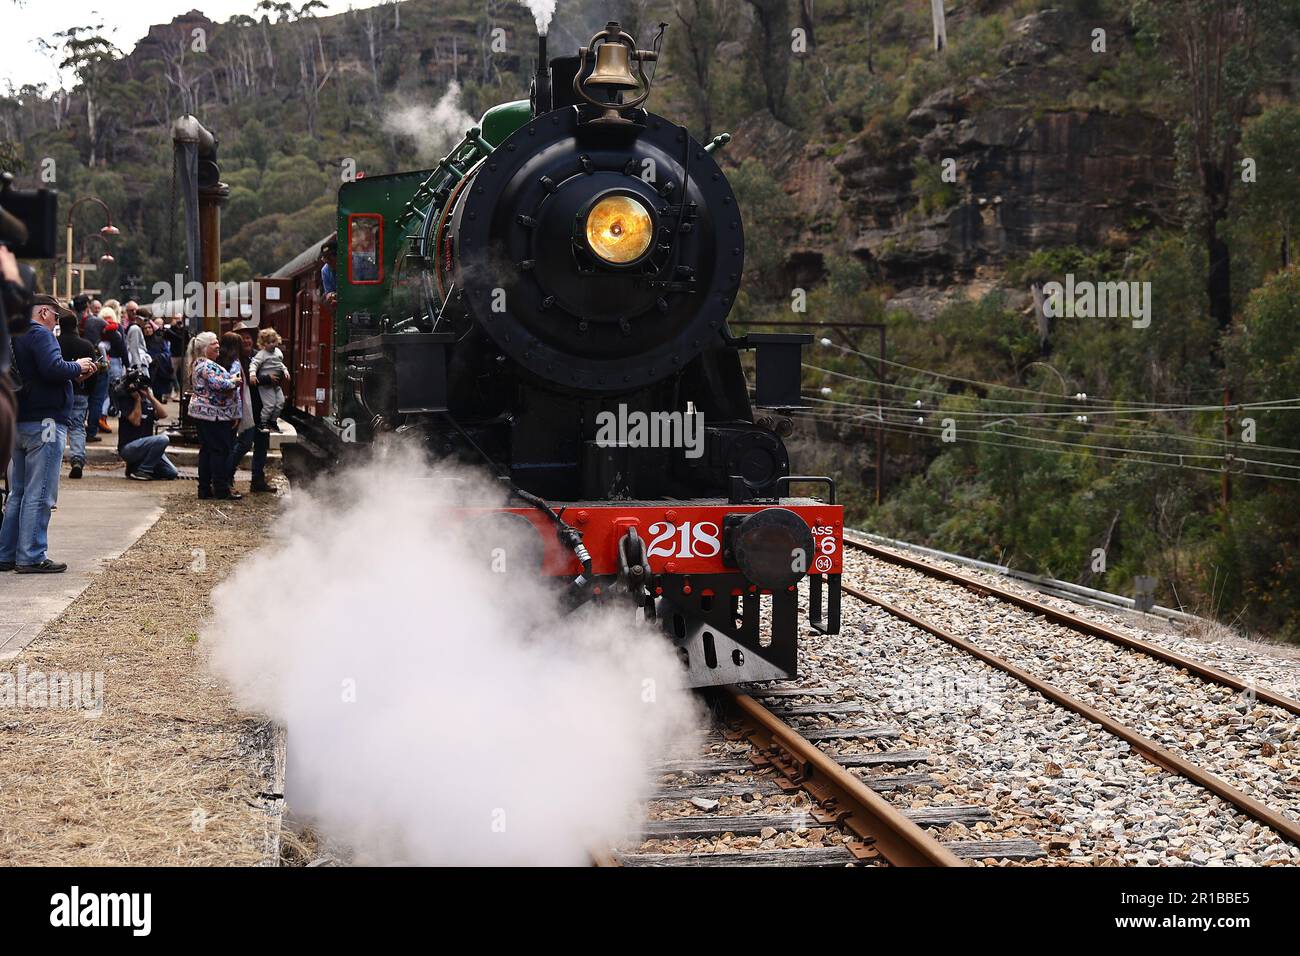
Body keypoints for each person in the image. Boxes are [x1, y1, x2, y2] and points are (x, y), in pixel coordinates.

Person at [0, 295, 97, 573]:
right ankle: (31, 555)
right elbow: (53, 367)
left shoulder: (13, 336)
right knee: (40, 492)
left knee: (18, 491)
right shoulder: (40, 335)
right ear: (43, 312)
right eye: (55, 316)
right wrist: (78, 366)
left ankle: (6, 552)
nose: (57, 322)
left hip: (18, 421)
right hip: (46, 422)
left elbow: (39, 372)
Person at [186, 331, 243, 500]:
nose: (218, 345)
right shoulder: (207, 366)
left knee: (207, 451)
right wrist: (234, 381)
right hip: (214, 415)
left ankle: (204, 488)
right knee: (220, 451)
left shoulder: (199, 364)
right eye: (214, 343)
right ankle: (220, 488)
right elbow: (218, 384)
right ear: (204, 348)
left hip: (205, 414)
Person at [112, 368, 177, 481]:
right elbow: (136, 422)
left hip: (147, 447)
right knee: (163, 439)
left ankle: (135, 468)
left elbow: (163, 414)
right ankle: (143, 470)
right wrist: (137, 400)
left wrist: (150, 397)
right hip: (128, 448)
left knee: (172, 472)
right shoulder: (126, 401)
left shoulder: (147, 403)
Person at [56, 312, 100, 480]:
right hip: (81, 392)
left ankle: (57, 461)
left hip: (59, 391)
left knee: (59, 427)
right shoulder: (87, 345)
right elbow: (93, 371)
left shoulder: (55, 343)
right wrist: (89, 390)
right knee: (77, 426)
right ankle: (77, 459)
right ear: (75, 325)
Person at [249, 327, 289, 432]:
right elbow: (254, 364)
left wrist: (285, 371)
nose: (271, 344)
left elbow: (280, 363)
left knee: (280, 402)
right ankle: (263, 422)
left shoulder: (278, 352)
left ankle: (273, 421)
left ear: (277, 341)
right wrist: (252, 374)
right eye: (268, 342)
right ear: (263, 343)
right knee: (269, 404)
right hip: (265, 385)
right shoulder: (261, 354)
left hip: (276, 384)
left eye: (273, 341)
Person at [100, 306, 126, 417]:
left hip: (105, 361)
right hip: (114, 361)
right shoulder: (117, 328)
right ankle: (107, 412)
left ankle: (104, 413)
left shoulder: (101, 328)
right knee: (115, 388)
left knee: (107, 390)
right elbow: (122, 347)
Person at [145, 319, 175, 401]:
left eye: (149, 328)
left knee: (157, 396)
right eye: (146, 328)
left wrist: (157, 357)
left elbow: (167, 353)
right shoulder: (143, 340)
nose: (148, 330)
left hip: (158, 372)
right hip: (147, 370)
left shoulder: (160, 339)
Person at [164, 312, 189, 388]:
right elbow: (166, 337)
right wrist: (172, 326)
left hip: (184, 355)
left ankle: (184, 392)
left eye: (180, 318)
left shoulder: (184, 330)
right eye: (177, 318)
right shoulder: (170, 330)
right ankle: (172, 392)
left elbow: (186, 340)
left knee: (185, 375)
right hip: (173, 355)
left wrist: (181, 328)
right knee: (172, 375)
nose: (179, 320)